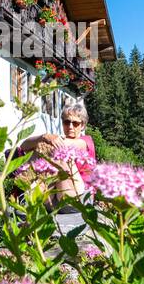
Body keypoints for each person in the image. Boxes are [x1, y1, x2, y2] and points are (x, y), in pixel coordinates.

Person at [19, 98, 95, 242]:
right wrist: (43, 136)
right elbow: (23, 146)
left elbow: (65, 145)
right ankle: (32, 201)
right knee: (40, 151)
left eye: (75, 123)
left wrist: (45, 142)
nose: (70, 127)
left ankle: (29, 199)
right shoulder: (55, 139)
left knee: (60, 154)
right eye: (67, 122)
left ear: (83, 125)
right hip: (53, 201)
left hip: (75, 200)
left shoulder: (86, 141)